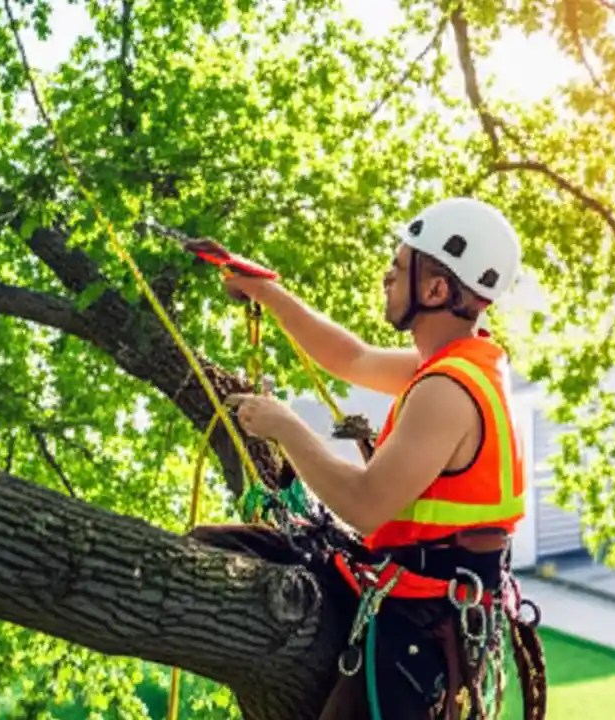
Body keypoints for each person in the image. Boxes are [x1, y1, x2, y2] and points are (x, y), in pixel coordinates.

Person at [195, 197, 543, 719]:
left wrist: (286, 426)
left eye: (399, 267)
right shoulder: (454, 362)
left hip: (426, 615)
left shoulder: (447, 391)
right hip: (402, 579)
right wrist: (262, 291)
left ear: (435, 288)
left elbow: (365, 504)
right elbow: (350, 358)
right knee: (214, 549)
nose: (387, 277)